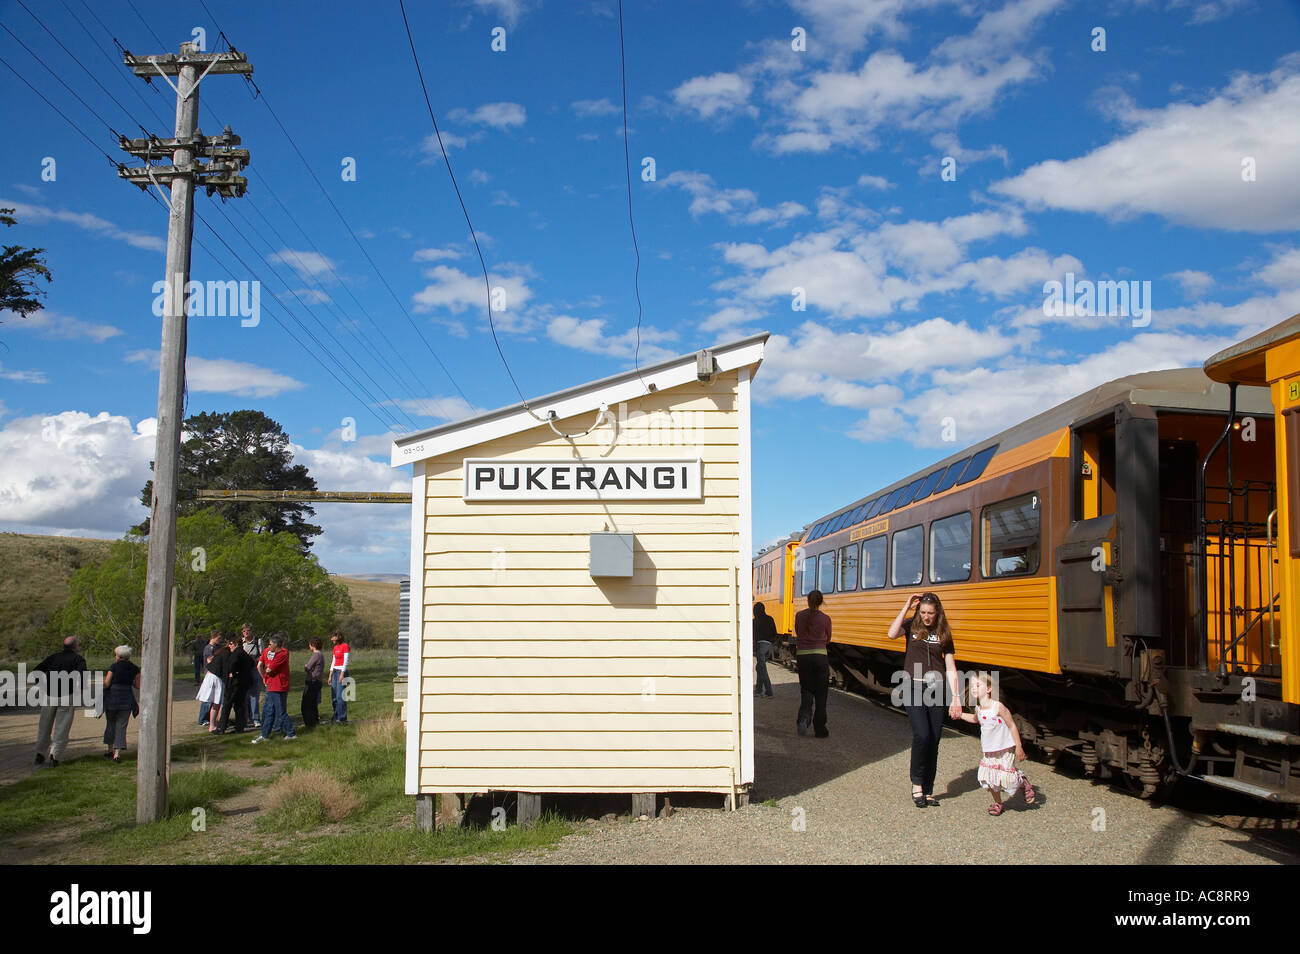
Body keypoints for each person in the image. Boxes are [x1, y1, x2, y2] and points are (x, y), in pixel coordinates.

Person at [888, 592, 962, 808]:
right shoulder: (912, 625)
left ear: (937, 612)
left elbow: (951, 667)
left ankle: (928, 790)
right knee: (922, 734)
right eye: (923, 612)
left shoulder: (943, 632)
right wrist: (907, 605)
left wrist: (956, 697)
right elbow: (892, 634)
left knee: (934, 739)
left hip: (937, 689)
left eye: (930, 613)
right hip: (913, 686)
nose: (927, 617)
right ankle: (917, 784)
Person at [955, 672, 1036, 816]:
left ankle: (1023, 782)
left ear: (989, 689)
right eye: (972, 685)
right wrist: (959, 715)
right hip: (989, 750)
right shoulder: (979, 708)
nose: (973, 688)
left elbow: (1011, 725)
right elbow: (975, 719)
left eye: (978, 685)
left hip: (1004, 748)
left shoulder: (998, 707)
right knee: (988, 778)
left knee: (1008, 777)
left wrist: (1018, 746)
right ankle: (998, 803)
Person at [33, 636, 87, 766]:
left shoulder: (54, 657)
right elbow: (82, 676)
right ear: (75, 647)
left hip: (50, 695)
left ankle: (40, 753)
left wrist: (42, 686)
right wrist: (81, 690)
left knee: (44, 724)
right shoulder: (78, 659)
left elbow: (36, 671)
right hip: (66, 695)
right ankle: (55, 755)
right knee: (62, 726)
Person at [793, 590, 831, 738]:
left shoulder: (799, 616)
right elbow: (828, 638)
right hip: (820, 657)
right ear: (821, 602)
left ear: (807, 601)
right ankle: (820, 729)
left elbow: (798, 632)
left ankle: (803, 719)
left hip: (803, 657)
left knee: (807, 691)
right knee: (821, 694)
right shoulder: (826, 619)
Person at [252, 633, 296, 743]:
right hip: (271, 685)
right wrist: (265, 677)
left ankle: (291, 733)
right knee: (268, 710)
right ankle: (265, 734)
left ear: (276, 645)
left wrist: (267, 671)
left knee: (280, 711)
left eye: (270, 644)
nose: (268, 646)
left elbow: (269, 669)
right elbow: (262, 666)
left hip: (279, 686)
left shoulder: (282, 654)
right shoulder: (270, 651)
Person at [101, 645, 140, 763]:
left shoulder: (114, 666)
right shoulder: (134, 668)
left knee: (111, 723)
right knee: (121, 726)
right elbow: (138, 685)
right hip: (126, 697)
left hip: (112, 697)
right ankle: (117, 754)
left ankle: (110, 749)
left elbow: (107, 683)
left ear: (118, 656)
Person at [218, 634, 255, 734]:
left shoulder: (236, 653)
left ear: (234, 643)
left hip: (235, 683)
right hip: (244, 683)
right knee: (239, 705)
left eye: (230, 644)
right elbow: (252, 663)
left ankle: (222, 728)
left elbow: (232, 664)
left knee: (227, 704)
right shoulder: (244, 653)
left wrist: (233, 673)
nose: (229, 646)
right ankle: (240, 727)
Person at [197, 631, 222, 726]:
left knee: (212, 698)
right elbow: (209, 661)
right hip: (210, 674)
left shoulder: (217, 647)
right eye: (218, 638)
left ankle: (208, 718)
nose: (220, 640)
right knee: (207, 698)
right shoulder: (208, 648)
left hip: (216, 675)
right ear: (213, 637)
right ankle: (202, 719)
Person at [752, 602, 777, 698]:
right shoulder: (770, 619)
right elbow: (774, 633)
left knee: (762, 669)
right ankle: (758, 690)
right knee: (760, 668)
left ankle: (769, 691)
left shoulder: (754, 621)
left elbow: (753, 636)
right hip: (768, 646)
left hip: (760, 646)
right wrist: (771, 643)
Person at [301, 636, 325, 728]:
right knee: (313, 704)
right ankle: (315, 722)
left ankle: (309, 723)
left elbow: (308, 667)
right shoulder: (321, 654)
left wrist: (305, 666)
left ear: (312, 645)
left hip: (312, 681)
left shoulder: (316, 655)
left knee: (307, 704)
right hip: (317, 681)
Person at [328, 630, 350, 724]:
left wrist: (342, 674)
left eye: (333, 637)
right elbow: (333, 661)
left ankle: (342, 718)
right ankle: (336, 715)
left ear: (338, 637)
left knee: (340, 696)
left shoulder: (345, 646)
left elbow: (345, 661)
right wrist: (330, 675)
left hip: (342, 672)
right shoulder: (335, 648)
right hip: (335, 672)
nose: (331, 639)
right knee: (334, 697)